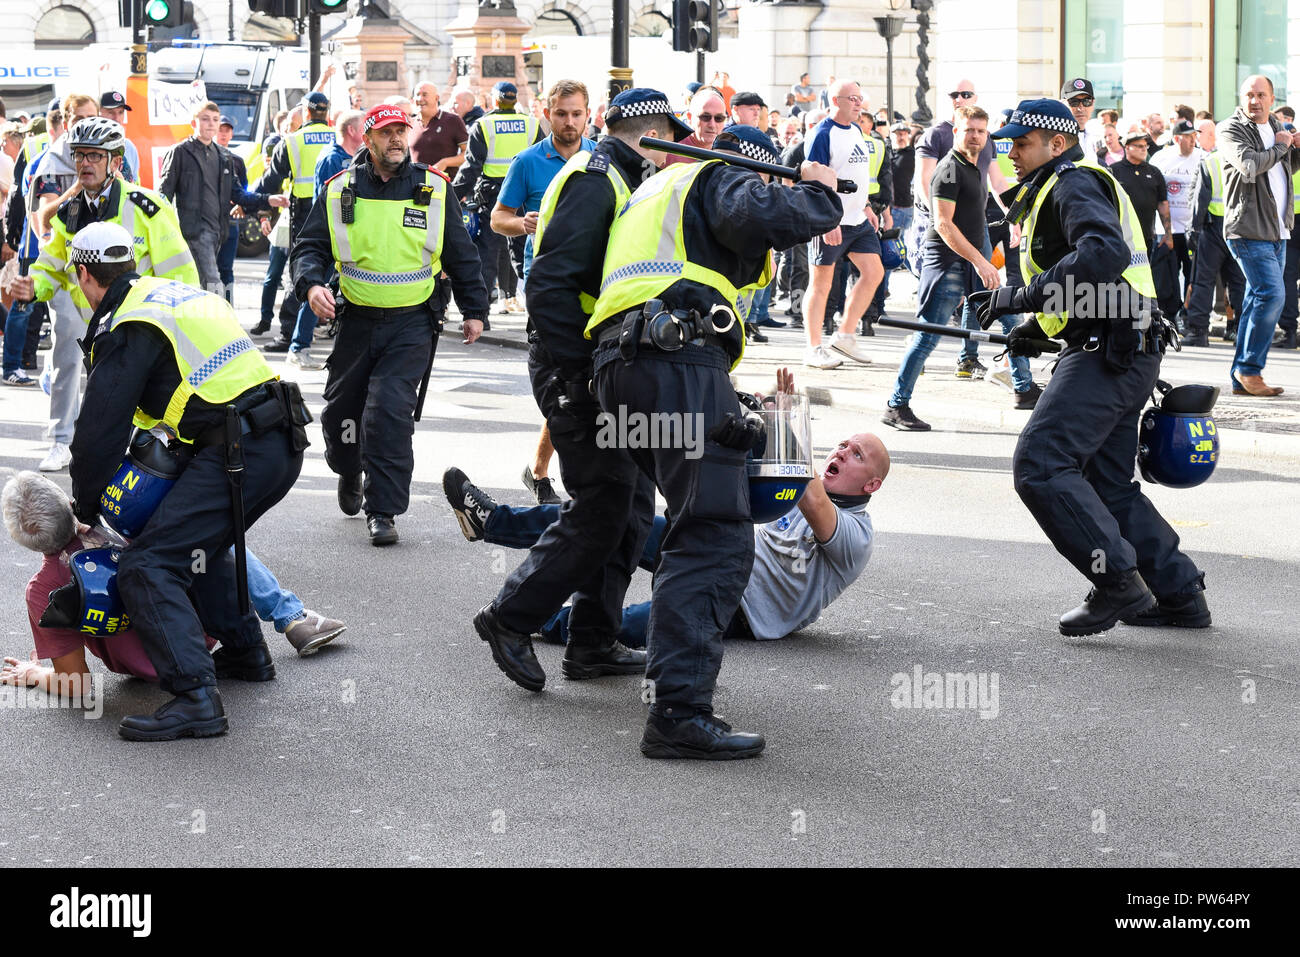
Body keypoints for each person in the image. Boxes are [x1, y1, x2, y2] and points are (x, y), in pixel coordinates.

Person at [581, 124, 841, 759]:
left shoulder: (653, 192)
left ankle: (599, 646)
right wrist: (819, 196)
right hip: (674, 361)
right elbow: (759, 209)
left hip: (623, 369)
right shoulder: (721, 175)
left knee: (683, 517)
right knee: (715, 533)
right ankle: (678, 713)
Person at [35, 222, 311, 739]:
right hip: (276, 440)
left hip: (238, 448)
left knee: (148, 563)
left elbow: (97, 434)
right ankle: (247, 653)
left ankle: (195, 699)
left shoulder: (128, 322)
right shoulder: (169, 295)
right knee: (188, 545)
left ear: (84, 273)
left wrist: (87, 510)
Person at [458, 87, 692, 694]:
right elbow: (552, 285)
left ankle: (592, 641)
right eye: (668, 134)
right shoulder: (597, 179)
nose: (672, 149)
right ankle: (510, 618)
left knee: (634, 502)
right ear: (646, 130)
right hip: (578, 367)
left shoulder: (618, 175)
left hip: (602, 364)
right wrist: (580, 373)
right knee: (604, 502)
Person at [974, 99, 1208, 637]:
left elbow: (1102, 255)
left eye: (1021, 143)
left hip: (1111, 350)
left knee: (1040, 463)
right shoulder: (1059, 187)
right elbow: (1097, 285)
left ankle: (1117, 582)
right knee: (1107, 484)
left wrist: (1021, 297)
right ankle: (1177, 594)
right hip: (1123, 345)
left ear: (1057, 143)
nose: (1010, 154)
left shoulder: (1072, 182)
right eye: (1006, 144)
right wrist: (1037, 329)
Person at [446, 418, 888, 648]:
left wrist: (788, 425)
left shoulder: (856, 535)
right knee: (607, 517)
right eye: (844, 445)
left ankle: (538, 619)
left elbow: (814, 501)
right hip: (715, 550)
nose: (843, 451)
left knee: (632, 624)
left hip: (742, 608)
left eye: (857, 455)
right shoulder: (792, 481)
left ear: (871, 485)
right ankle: (493, 521)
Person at [291, 104, 489, 546]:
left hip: (411, 323)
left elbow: (461, 254)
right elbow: (308, 248)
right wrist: (310, 286)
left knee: (387, 413)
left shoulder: (434, 189)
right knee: (343, 414)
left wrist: (474, 310)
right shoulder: (339, 188)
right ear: (368, 139)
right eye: (387, 133)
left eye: (402, 132)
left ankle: (383, 510)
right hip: (356, 320)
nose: (397, 140)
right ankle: (348, 469)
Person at [2, 472, 346, 696]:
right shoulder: (125, 519)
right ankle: (290, 614)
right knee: (208, 532)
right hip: (203, 634)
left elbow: (76, 685)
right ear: (69, 503)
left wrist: (35, 673)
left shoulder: (42, 591)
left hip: (148, 669)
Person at [884, 106, 1037, 432]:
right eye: (970, 130)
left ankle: (1024, 388)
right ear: (956, 131)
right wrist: (981, 261)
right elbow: (943, 224)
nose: (977, 137)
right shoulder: (949, 170)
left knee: (1011, 320)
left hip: (973, 262)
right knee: (927, 336)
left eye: (982, 131)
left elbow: (993, 198)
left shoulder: (974, 166)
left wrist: (1014, 221)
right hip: (947, 265)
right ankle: (896, 405)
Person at [489, 79, 595, 505]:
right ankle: (572, 479)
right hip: (548, 285)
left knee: (584, 381)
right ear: (546, 114)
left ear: (589, 115)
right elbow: (499, 218)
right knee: (564, 381)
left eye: (576, 114)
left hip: (599, 283)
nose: (569, 122)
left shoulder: (603, 157)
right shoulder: (529, 161)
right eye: (561, 113)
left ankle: (539, 471)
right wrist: (524, 224)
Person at [24, 94, 100, 472]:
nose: (89, 124)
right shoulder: (52, 162)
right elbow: (43, 221)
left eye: (94, 117)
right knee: (69, 356)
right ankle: (60, 441)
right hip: (67, 271)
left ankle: (97, 440)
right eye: (82, 118)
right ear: (67, 122)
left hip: (106, 273)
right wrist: (81, 188)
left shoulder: (115, 152)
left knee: (105, 361)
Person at [1216, 75, 1299, 395]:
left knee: (1255, 299)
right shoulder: (1231, 129)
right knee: (1271, 295)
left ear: (1272, 97)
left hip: (1278, 229)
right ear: (1242, 97)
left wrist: (1295, 148)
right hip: (1247, 228)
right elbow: (1250, 166)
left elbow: (1283, 167)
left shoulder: (1278, 125)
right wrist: (1281, 144)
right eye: (1249, 94)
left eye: (1261, 95)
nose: (1255, 100)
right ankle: (1251, 369)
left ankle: (1241, 376)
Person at [802, 79, 882, 369]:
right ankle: (813, 348)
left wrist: (867, 206)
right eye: (852, 98)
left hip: (857, 220)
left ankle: (845, 336)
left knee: (874, 273)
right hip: (830, 220)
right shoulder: (822, 134)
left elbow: (855, 175)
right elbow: (813, 179)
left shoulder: (858, 130)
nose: (859, 103)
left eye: (860, 98)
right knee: (821, 284)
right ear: (835, 101)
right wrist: (826, 221)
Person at [253, 91, 336, 364]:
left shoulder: (291, 141)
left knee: (300, 272)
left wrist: (255, 205)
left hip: (304, 214)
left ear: (307, 113)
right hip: (338, 212)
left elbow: (270, 181)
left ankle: (289, 334)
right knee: (330, 271)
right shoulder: (339, 137)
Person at [451, 82, 542, 314]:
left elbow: (471, 167)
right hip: (526, 195)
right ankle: (534, 309)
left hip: (494, 196)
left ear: (494, 101)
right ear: (514, 100)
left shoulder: (484, 124)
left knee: (488, 255)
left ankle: (480, 314)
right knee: (525, 252)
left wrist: (451, 197)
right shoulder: (532, 124)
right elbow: (543, 159)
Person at [158, 102, 240, 297]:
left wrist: (267, 200)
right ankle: (220, 323)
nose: (211, 124)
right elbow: (164, 194)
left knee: (197, 285)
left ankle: (194, 322)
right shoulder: (179, 152)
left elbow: (237, 192)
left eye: (215, 119)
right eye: (205, 119)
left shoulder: (223, 155)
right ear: (193, 122)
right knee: (214, 282)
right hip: (193, 230)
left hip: (218, 232)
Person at [1180, 138, 1245, 347]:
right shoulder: (1246, 159)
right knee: (1239, 282)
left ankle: (1198, 332)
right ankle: (1242, 331)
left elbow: (1200, 199)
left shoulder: (1210, 161)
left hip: (1212, 228)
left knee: (1203, 280)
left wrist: (1194, 230)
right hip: (1241, 227)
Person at [1150, 119, 1201, 325]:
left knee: (1192, 275)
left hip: (1192, 230)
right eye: (1188, 137)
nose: (1193, 140)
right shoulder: (1161, 158)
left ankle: (1186, 314)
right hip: (1167, 230)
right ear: (1177, 138)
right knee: (1168, 277)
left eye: (1194, 136)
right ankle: (1170, 315)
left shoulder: (1202, 157)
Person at [411, 82, 469, 176]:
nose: (420, 99)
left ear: (436, 98)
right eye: (417, 95)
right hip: (415, 186)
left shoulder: (453, 120)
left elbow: (468, 153)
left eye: (424, 95)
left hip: (444, 186)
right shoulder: (410, 123)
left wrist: (445, 162)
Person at [663, 87, 728, 166]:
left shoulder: (727, 151)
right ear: (689, 117)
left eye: (719, 118)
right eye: (705, 117)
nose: (712, 125)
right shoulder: (668, 149)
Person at [98, 91, 138, 184]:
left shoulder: (129, 146)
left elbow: (135, 183)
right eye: (111, 112)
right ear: (98, 113)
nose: (117, 118)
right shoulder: (89, 145)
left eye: (120, 112)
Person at [1062, 78, 1096, 158]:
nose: (1081, 108)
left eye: (1086, 101)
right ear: (1063, 104)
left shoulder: (1093, 136)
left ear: (1093, 104)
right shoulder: (1057, 138)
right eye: (1074, 102)